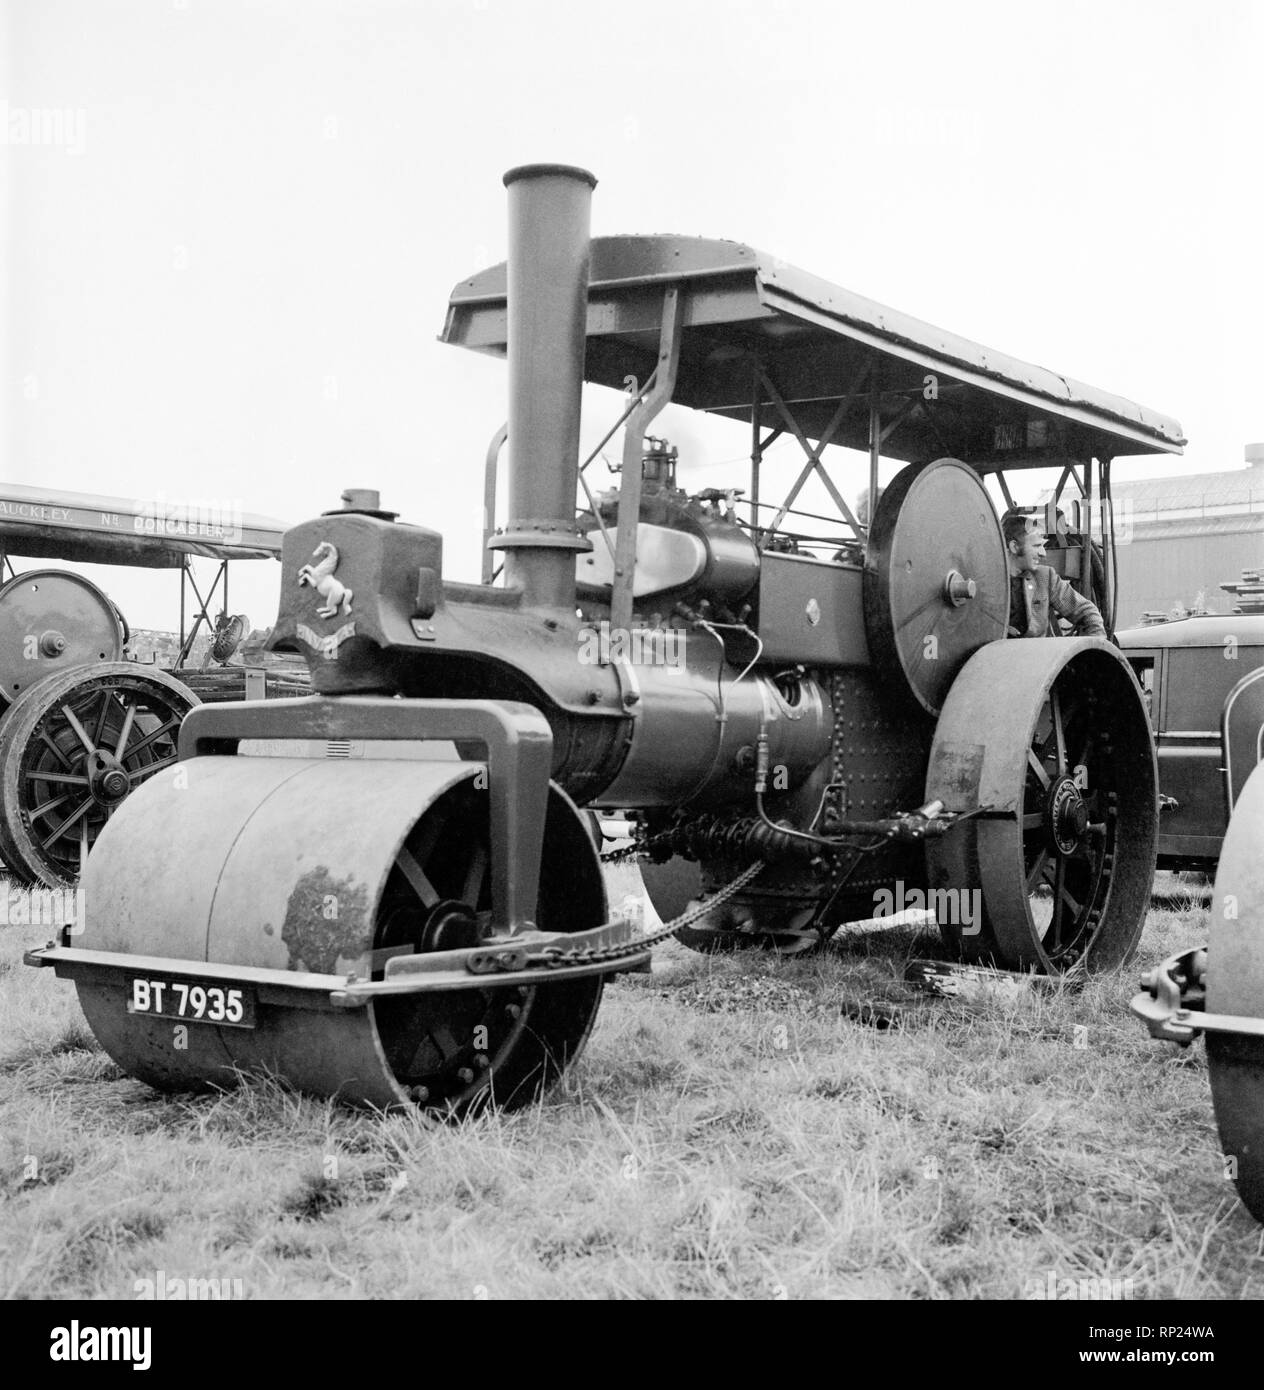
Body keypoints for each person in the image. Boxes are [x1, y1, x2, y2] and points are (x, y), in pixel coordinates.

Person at [1002, 508, 1105, 638]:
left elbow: (1088, 612)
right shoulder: (986, 581)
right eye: (1036, 546)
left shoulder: (1045, 577)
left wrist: (1095, 648)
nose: (1043, 553)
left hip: (1036, 655)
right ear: (1014, 547)